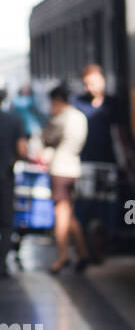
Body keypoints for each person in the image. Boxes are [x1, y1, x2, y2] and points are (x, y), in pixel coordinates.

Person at [73, 64, 125, 263]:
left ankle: (107, 240)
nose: (91, 87)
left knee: (108, 203)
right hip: (85, 162)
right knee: (85, 203)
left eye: (94, 82)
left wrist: (125, 161)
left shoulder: (113, 103)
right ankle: (85, 242)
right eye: (87, 84)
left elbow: (121, 134)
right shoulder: (78, 102)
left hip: (109, 161)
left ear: (103, 80)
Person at [40, 84, 89, 273]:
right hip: (74, 168)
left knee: (60, 213)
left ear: (57, 101)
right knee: (69, 214)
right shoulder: (80, 116)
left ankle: (62, 257)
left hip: (60, 167)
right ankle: (83, 254)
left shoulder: (61, 117)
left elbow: (47, 138)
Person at [0, 90, 28, 277]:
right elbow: (22, 150)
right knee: (6, 222)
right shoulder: (14, 119)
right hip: (5, 176)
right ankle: (1, 263)